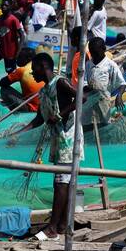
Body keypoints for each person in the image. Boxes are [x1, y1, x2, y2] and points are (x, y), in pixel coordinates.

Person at [23, 51, 78, 237]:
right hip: (57, 139)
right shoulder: (44, 90)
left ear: (42, 66)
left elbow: (81, 98)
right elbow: (39, 118)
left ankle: (53, 228)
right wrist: (17, 134)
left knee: (61, 182)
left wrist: (60, 114)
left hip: (68, 138)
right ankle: (62, 224)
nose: (33, 74)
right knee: (64, 181)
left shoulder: (60, 82)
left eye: (33, 71)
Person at [83, 37, 124, 129]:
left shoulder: (110, 65)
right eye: (92, 54)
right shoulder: (88, 64)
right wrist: (87, 88)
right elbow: (84, 81)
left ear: (104, 49)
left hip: (103, 100)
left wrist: (119, 95)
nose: (95, 56)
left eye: (97, 53)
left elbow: (122, 83)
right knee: (88, 124)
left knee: (103, 124)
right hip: (89, 100)